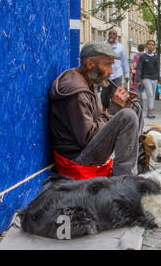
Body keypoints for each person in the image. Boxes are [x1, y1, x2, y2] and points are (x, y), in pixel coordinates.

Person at [49, 41, 144, 176]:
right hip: (76, 160)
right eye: (107, 65)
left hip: (86, 149)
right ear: (90, 65)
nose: (111, 72)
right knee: (127, 117)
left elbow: (97, 120)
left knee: (136, 108)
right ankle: (124, 181)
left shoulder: (88, 79)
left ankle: (136, 164)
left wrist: (122, 105)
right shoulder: (77, 93)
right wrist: (114, 109)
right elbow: (87, 138)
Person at [100, 29, 129, 112]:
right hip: (106, 74)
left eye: (114, 34)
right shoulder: (103, 45)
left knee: (115, 93)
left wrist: (126, 75)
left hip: (117, 74)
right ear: (108, 35)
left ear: (116, 36)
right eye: (110, 33)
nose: (112, 35)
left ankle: (113, 111)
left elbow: (124, 61)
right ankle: (104, 108)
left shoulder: (121, 47)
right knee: (104, 94)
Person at [136, 39, 159, 119]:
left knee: (152, 95)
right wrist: (139, 80)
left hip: (154, 78)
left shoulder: (156, 57)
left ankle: (150, 110)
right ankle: (150, 111)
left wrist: (158, 79)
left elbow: (157, 68)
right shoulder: (143, 57)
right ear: (147, 46)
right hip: (146, 78)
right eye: (149, 44)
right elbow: (139, 68)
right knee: (150, 94)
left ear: (154, 47)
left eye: (153, 45)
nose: (151, 46)